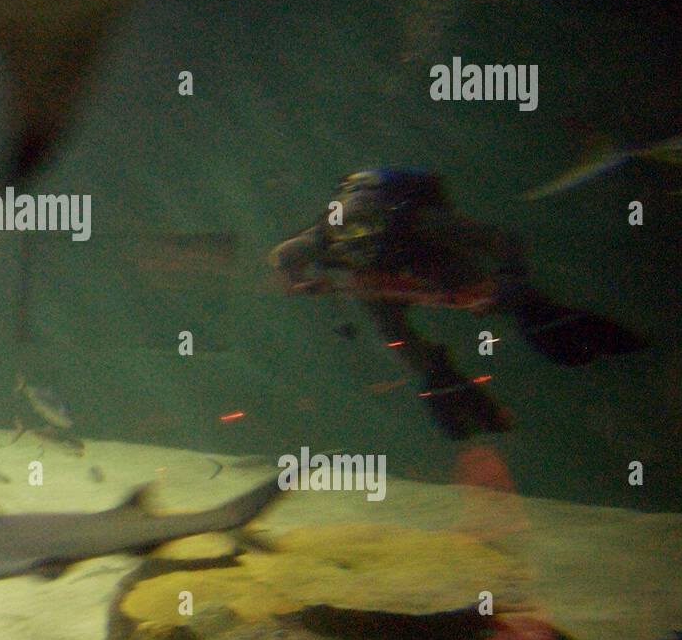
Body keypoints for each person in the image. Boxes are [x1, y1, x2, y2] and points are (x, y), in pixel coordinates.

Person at [268, 168, 647, 439]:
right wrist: (301, 284)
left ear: (384, 226)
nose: (358, 249)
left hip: (426, 257)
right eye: (349, 245)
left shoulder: (422, 223)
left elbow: (503, 241)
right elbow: (282, 257)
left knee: (492, 297)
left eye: (364, 243)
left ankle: (557, 323)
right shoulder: (326, 235)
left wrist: (507, 285)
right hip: (378, 281)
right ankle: (449, 387)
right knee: (399, 341)